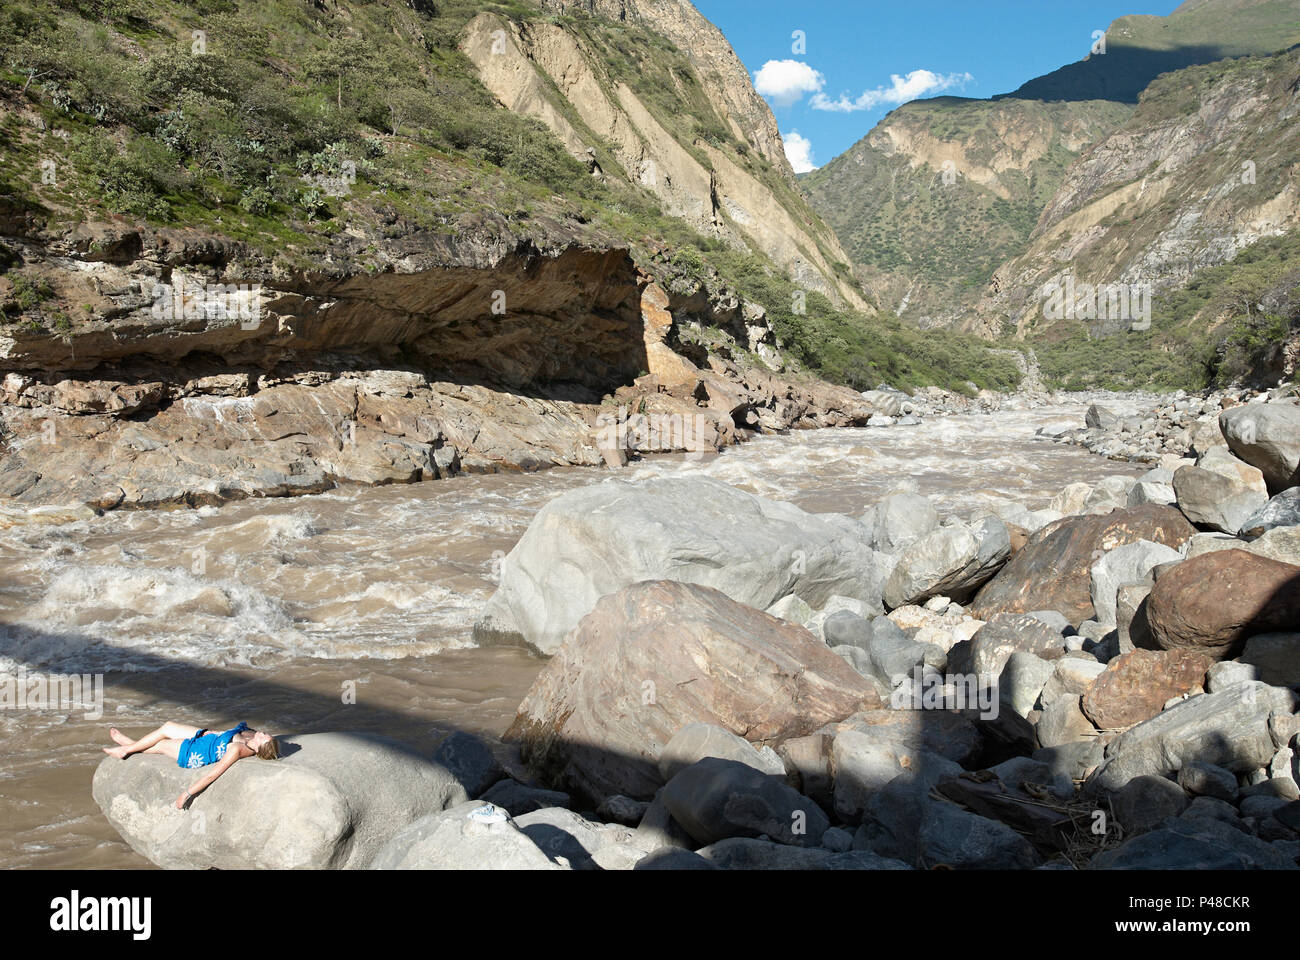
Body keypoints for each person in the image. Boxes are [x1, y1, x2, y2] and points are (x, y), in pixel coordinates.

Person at [103, 722, 279, 809]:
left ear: (259, 748)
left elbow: (212, 774)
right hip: (208, 738)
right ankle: (130, 746)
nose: (266, 734)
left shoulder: (238, 750)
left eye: (266, 738)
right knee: (167, 726)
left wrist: (186, 794)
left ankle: (127, 748)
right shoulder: (251, 736)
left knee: (162, 744)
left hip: (196, 752)